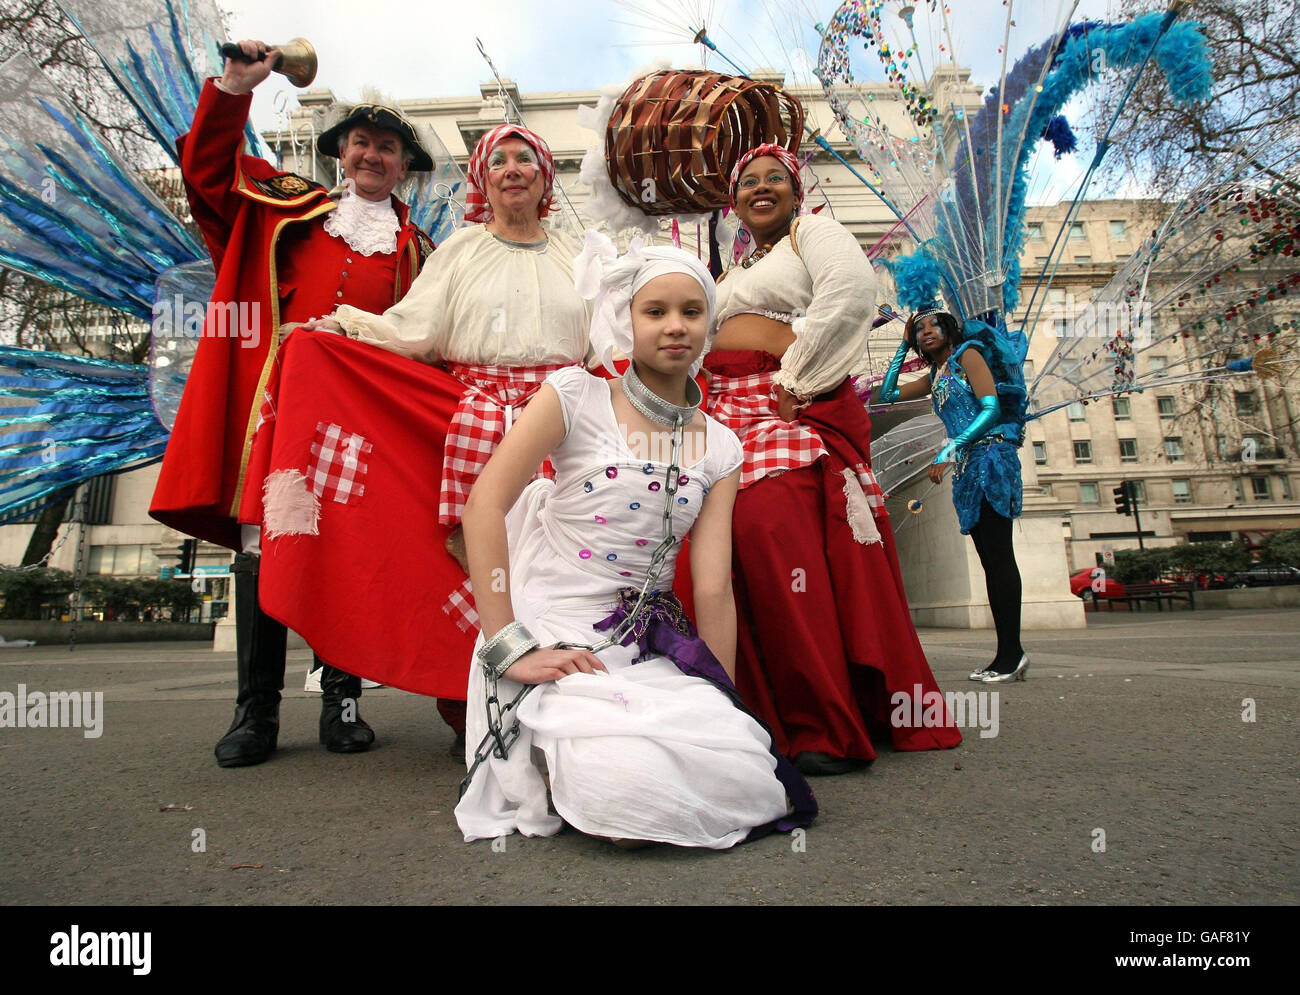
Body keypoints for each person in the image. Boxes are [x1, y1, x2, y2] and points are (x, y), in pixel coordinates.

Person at [452, 235, 815, 847]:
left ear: (708, 323)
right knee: (627, 794)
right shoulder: (575, 397)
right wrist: (508, 648)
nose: (675, 327)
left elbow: (712, 586)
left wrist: (719, 693)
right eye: (655, 312)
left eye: (691, 311)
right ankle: (569, 766)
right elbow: (483, 506)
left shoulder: (723, 446)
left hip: (647, 646)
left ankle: (621, 761)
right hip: (557, 630)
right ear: (627, 319)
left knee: (745, 768)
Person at [149, 39, 435, 766]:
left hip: (361, 428)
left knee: (347, 554)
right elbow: (207, 173)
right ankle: (256, 713)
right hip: (275, 419)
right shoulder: (285, 210)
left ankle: (342, 702)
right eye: (362, 143)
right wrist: (234, 88)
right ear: (342, 153)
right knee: (264, 546)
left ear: (406, 165)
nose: (374, 155)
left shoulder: (422, 252)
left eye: (389, 147)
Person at [301, 125, 590, 751]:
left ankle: (564, 696)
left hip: (562, 423)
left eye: (526, 160)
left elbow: (609, 346)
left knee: (556, 557)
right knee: (473, 564)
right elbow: (412, 331)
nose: (513, 169)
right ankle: (471, 699)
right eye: (499, 161)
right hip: (473, 415)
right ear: (483, 180)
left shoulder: (581, 254)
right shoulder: (458, 251)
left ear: (545, 179)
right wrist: (339, 333)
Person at [703, 144, 962, 776]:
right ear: (733, 204)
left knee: (769, 528)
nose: (760, 189)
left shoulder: (811, 233)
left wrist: (795, 378)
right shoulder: (733, 271)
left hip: (783, 406)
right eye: (747, 183)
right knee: (704, 543)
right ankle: (751, 717)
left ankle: (824, 720)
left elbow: (849, 295)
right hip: (719, 416)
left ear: (795, 191)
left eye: (774, 180)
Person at [877, 308, 1028, 682]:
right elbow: (888, 393)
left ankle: (1012, 654)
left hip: (991, 459)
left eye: (933, 325)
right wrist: (901, 345)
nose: (926, 332)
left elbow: (990, 409)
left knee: (999, 558)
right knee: (990, 561)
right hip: (967, 466)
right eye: (919, 330)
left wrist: (947, 450)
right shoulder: (936, 373)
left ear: (950, 329)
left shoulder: (968, 355)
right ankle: (1007, 654)